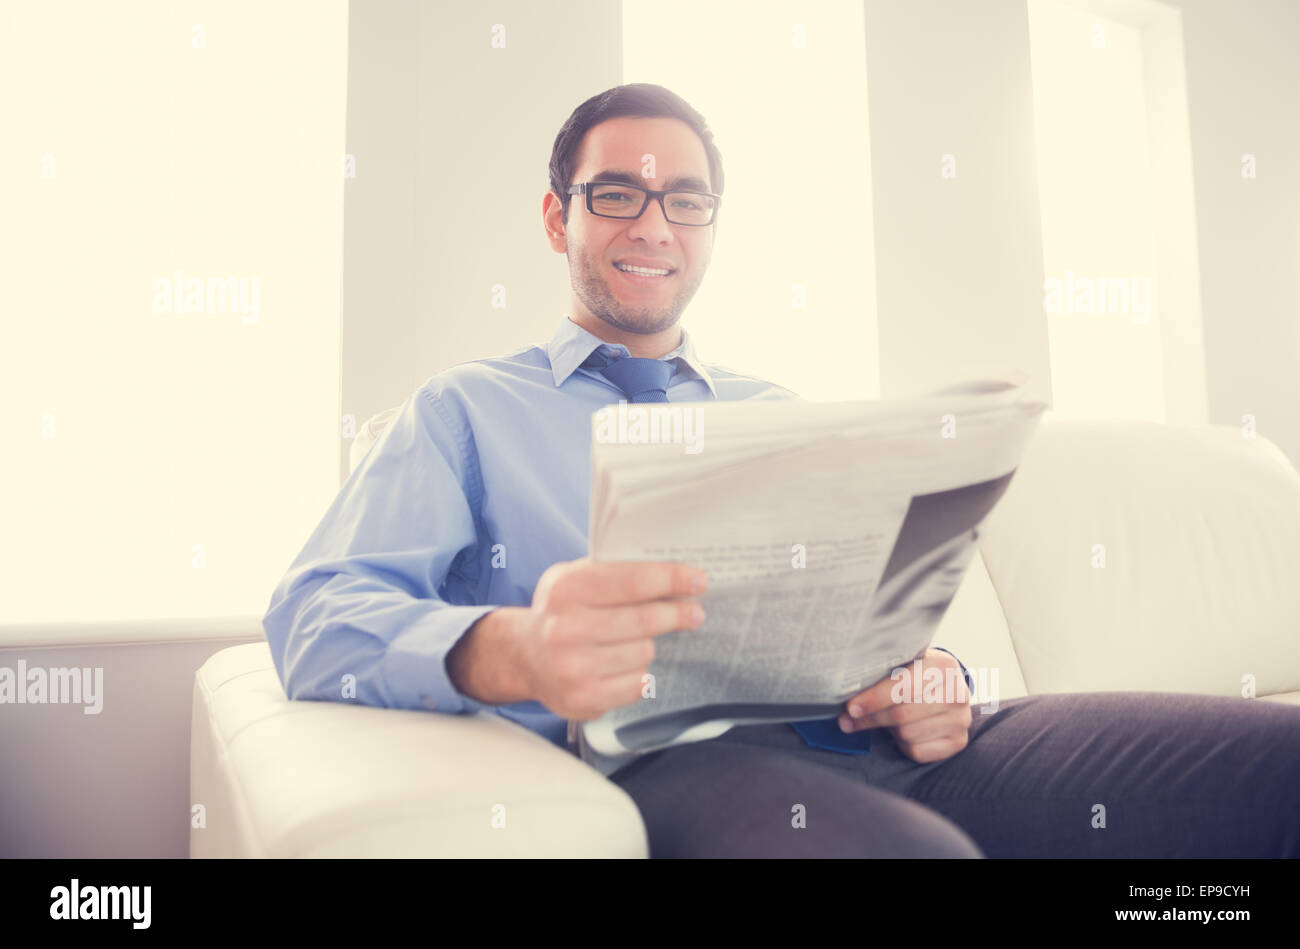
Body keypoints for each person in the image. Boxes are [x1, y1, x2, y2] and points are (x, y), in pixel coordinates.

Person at [263, 83, 1300, 858]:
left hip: (920, 747)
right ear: (557, 218)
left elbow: (874, 615)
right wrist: (514, 651)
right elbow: (315, 611)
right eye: (616, 193)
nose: (652, 225)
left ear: (711, 227)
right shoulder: (464, 412)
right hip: (683, 768)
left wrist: (927, 676)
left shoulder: (777, 416)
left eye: (685, 200)